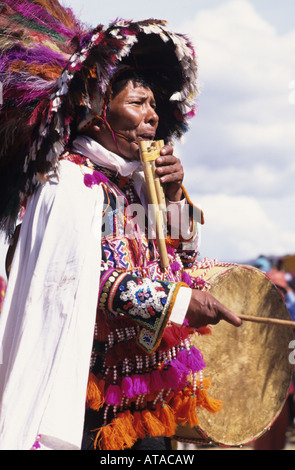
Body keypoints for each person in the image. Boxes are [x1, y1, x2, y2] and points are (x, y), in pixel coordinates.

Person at [0, 1, 241, 451]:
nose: (152, 115)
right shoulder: (68, 181)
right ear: (97, 113)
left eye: (153, 104)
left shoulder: (133, 185)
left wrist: (172, 200)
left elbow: (180, 260)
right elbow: (93, 278)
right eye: (137, 102)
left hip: (144, 404)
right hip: (87, 402)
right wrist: (183, 301)